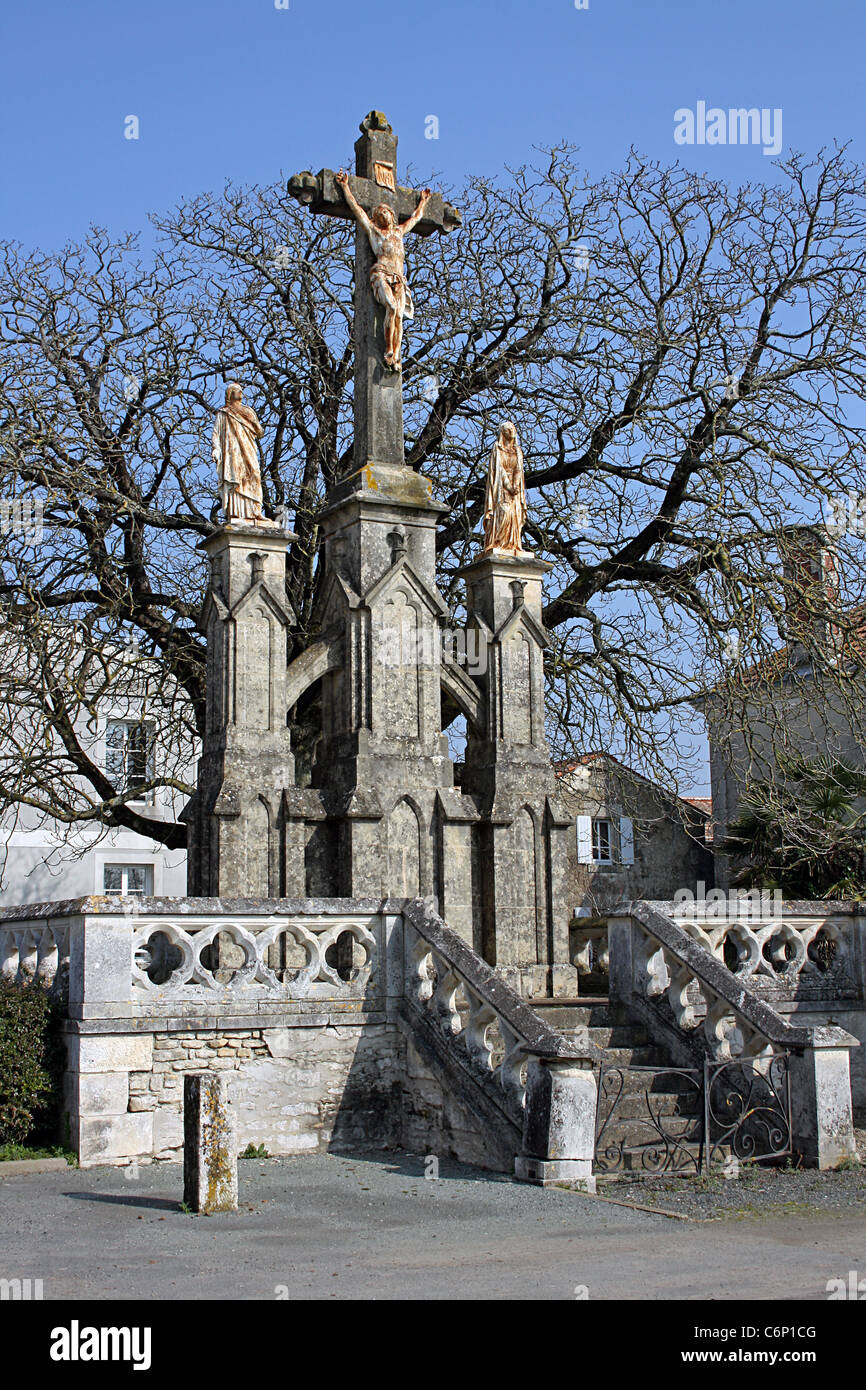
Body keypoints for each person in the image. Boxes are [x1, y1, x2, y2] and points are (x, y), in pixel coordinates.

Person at [335, 170, 431, 371]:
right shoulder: (373, 230)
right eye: (379, 213)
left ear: (392, 216)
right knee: (393, 307)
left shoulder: (399, 232)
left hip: (399, 278)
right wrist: (345, 187)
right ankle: (388, 349)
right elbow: (357, 209)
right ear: (376, 218)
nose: (383, 215)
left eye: (386, 212)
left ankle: (396, 355)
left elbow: (416, 217)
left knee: (398, 316)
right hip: (381, 274)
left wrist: (423, 201)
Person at [211, 384, 274, 526]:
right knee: (235, 478)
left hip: (248, 448)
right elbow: (216, 433)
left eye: (240, 390)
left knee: (254, 475)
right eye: (236, 390)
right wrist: (216, 448)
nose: (240, 392)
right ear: (230, 393)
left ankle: (255, 512)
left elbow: (259, 432)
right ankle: (236, 512)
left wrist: (253, 423)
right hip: (232, 451)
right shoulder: (224, 413)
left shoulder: (247, 411)